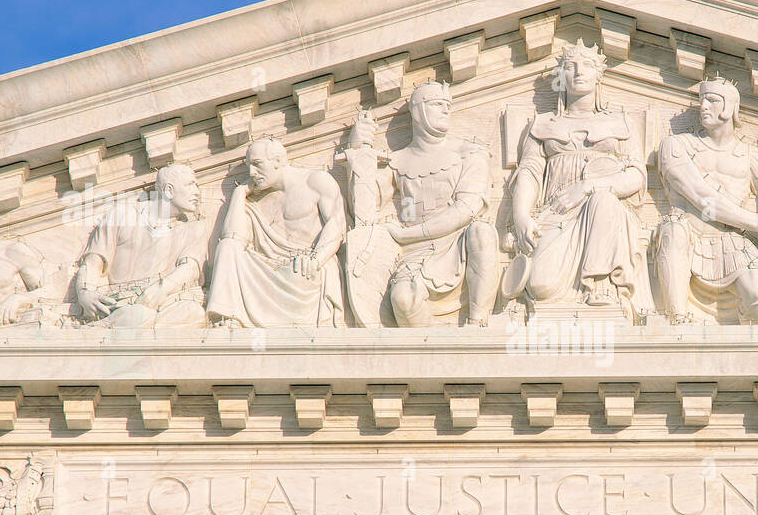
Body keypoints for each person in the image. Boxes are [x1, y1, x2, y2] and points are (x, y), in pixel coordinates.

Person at [506, 41, 649, 316]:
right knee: (540, 286)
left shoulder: (622, 123)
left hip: (607, 217)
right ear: (561, 76)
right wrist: (522, 215)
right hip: (556, 215)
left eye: (587, 66)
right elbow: (530, 172)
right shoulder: (542, 125)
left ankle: (600, 285)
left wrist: (587, 188)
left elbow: (635, 176)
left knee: (603, 201)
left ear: (600, 74)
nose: (578, 72)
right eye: (570, 67)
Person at [341, 83, 498, 327]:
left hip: (458, 242)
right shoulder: (398, 161)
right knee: (403, 299)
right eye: (437, 104)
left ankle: (477, 324)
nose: (445, 110)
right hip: (417, 251)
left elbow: (467, 208)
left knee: (483, 232)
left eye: (448, 105)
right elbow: (365, 214)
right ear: (417, 111)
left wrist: (406, 234)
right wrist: (359, 151)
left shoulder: (469, 152)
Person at [653, 77, 758, 324]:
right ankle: (676, 320)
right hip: (687, 236)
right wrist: (756, 221)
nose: (704, 106)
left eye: (712, 100)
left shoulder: (750, 156)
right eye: (701, 100)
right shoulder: (676, 145)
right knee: (673, 230)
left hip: (731, 242)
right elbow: (699, 194)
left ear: (730, 107)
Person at [207, 138, 345, 328]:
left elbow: (336, 225)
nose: (251, 173)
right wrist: (240, 193)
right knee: (227, 247)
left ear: (278, 161)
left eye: (257, 164)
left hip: (303, 267)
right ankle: (229, 319)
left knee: (300, 273)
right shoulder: (253, 199)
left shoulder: (315, 181)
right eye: (249, 166)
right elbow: (233, 237)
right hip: (266, 268)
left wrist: (316, 259)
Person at [74, 163, 208, 328]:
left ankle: (121, 325)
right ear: (169, 190)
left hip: (163, 304)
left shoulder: (192, 229)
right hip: (121, 301)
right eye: (190, 185)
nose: (197, 192)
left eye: (197, 185)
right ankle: (106, 325)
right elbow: (93, 263)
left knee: (193, 312)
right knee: (136, 315)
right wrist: (84, 292)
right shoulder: (122, 214)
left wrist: (162, 289)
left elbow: (190, 268)